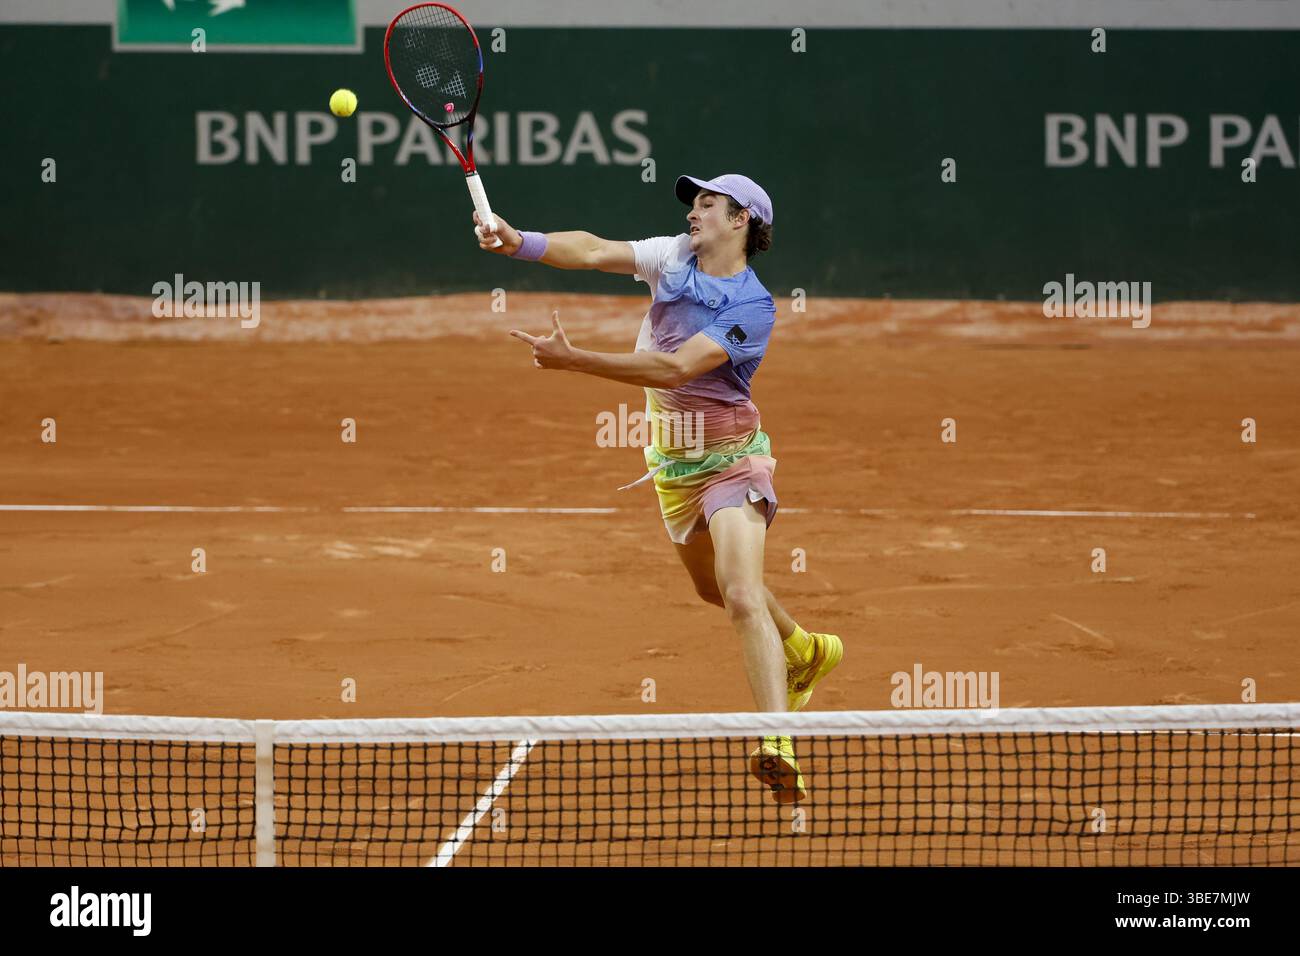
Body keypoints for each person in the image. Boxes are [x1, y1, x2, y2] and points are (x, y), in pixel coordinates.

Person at [473, 173, 842, 803]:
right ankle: (806, 650)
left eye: (707, 204)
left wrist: (577, 359)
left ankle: (778, 742)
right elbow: (593, 249)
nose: (693, 212)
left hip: (733, 460)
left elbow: (674, 367)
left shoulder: (752, 308)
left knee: (742, 594)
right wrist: (519, 242)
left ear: (742, 220)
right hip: (673, 469)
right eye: (693, 203)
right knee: (712, 589)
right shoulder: (673, 257)